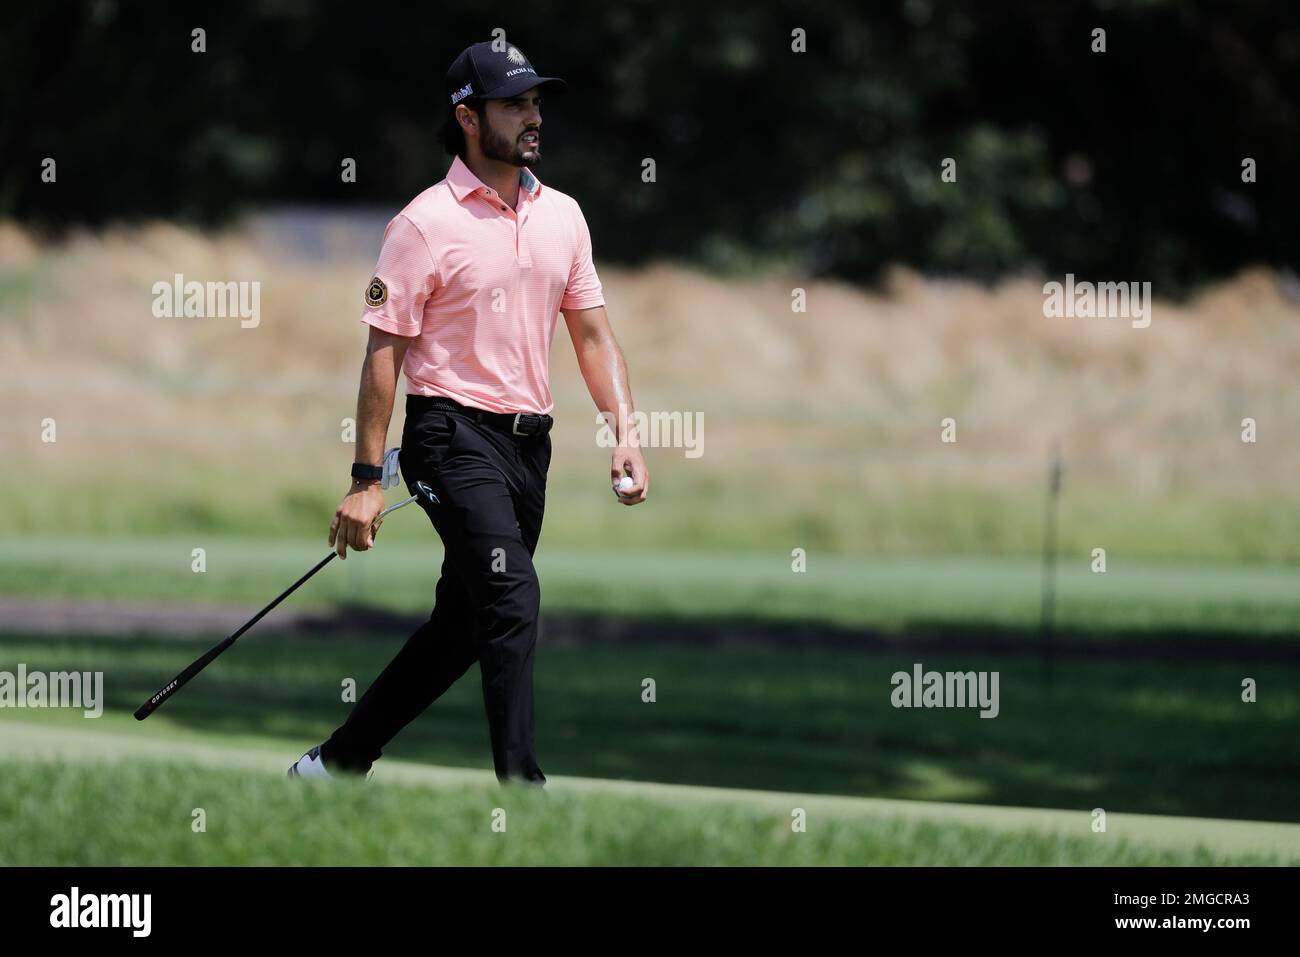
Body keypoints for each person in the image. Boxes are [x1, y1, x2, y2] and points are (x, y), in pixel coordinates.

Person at [288, 40, 647, 786]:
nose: (532, 115)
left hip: (528, 449)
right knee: (512, 593)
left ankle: (338, 763)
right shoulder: (422, 224)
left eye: (536, 102)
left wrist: (626, 431)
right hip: (450, 437)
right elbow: (382, 355)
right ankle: (523, 787)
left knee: (465, 627)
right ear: (469, 117)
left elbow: (591, 333)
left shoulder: (565, 217)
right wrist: (364, 479)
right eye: (514, 104)